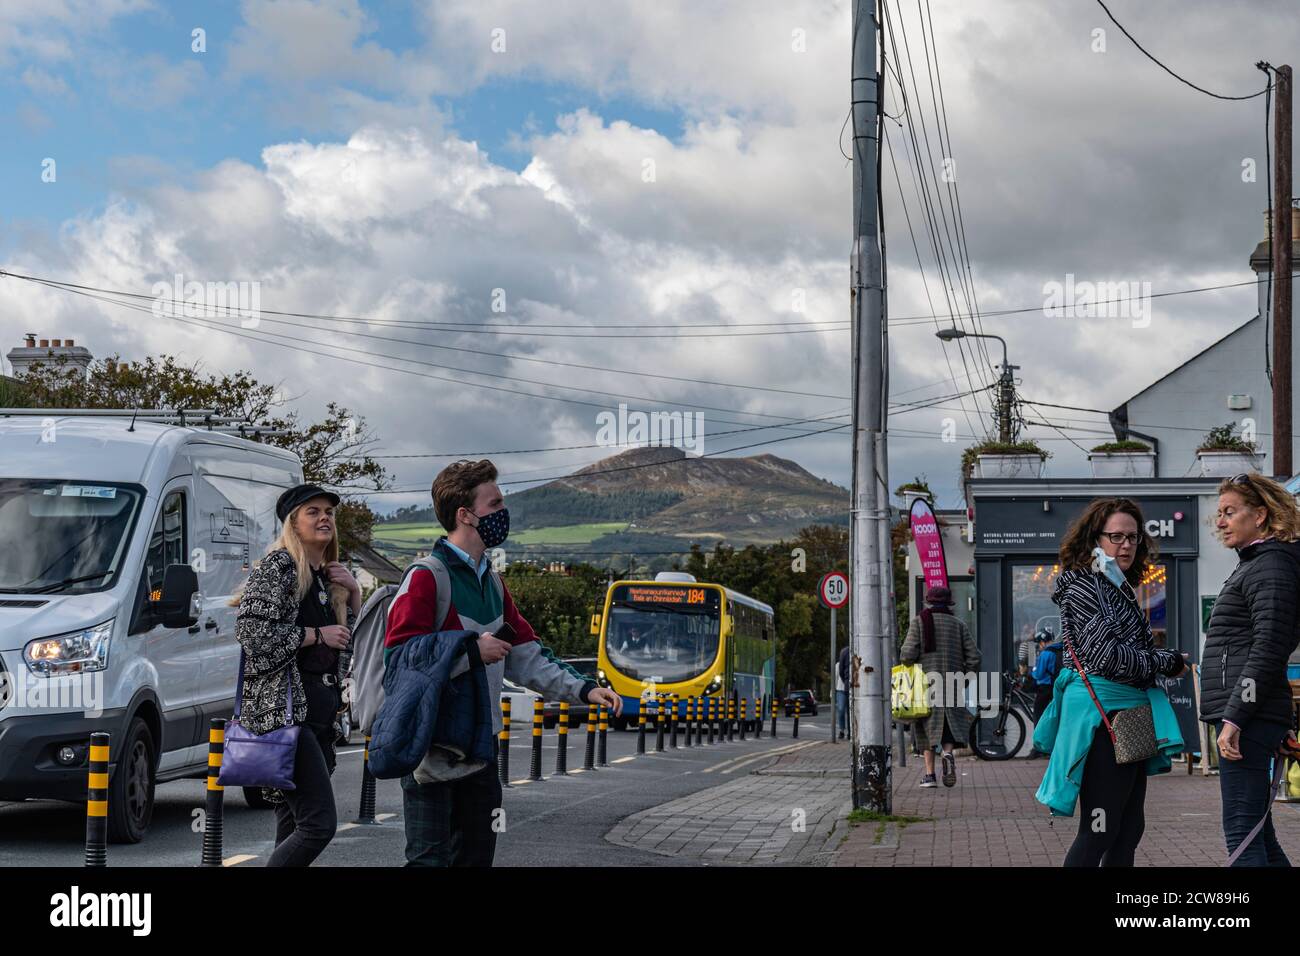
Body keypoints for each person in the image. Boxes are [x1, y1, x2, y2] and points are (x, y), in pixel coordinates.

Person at [384, 459, 624, 866]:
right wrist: (472, 651)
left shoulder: (493, 582)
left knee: (478, 857)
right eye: (494, 504)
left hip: (481, 749)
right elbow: (400, 662)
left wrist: (584, 688)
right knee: (428, 861)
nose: (503, 513)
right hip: (433, 747)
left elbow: (529, 655)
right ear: (465, 515)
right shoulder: (426, 577)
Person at [1033, 498, 1187, 867]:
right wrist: (1168, 661)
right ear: (1094, 540)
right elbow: (1108, 658)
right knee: (1100, 828)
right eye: (1116, 536)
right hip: (1102, 717)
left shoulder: (1116, 586)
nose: (1126, 545)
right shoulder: (1087, 587)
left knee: (1129, 828)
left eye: (1133, 537)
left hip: (1127, 714)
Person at [233, 483, 361, 867]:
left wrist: (353, 594)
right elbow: (251, 632)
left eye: (329, 512)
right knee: (318, 825)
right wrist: (314, 634)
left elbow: (347, 646)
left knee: (291, 826)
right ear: (293, 522)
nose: (325, 518)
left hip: (317, 718)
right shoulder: (279, 566)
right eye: (313, 511)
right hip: (285, 716)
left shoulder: (327, 576)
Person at [1200, 472, 1300, 866]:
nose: (1221, 522)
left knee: (1243, 835)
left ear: (1259, 515)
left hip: (1249, 719)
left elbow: (1269, 648)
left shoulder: (1270, 565)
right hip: (1255, 716)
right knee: (1259, 835)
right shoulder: (1259, 564)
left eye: (1230, 512)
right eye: (1219, 514)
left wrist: (1235, 719)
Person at [900, 585, 981, 788]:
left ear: (928, 601)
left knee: (925, 727)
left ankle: (930, 776)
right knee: (949, 723)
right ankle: (947, 754)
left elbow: (907, 655)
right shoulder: (959, 624)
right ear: (949, 603)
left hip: (925, 684)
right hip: (952, 683)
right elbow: (975, 657)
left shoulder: (919, 622)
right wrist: (963, 678)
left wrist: (909, 662)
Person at [1026, 627, 1062, 760]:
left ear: (1042, 641)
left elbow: (1039, 674)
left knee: (1039, 717)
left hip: (1044, 690)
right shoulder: (1058, 650)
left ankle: (1039, 748)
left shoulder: (1046, 653)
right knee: (1054, 717)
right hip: (1056, 689)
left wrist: (1031, 674)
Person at [835, 645, 850, 740]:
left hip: (849, 688)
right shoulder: (837, 665)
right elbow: (836, 677)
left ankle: (850, 731)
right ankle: (841, 730)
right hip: (840, 689)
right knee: (841, 710)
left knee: (850, 711)